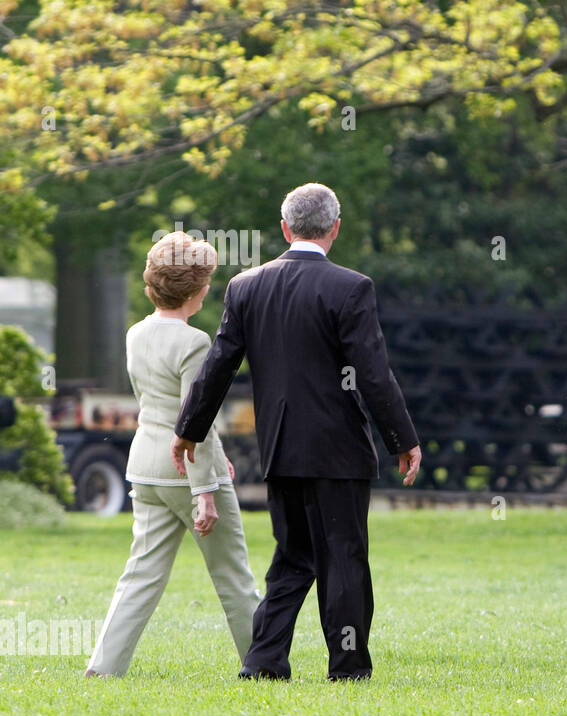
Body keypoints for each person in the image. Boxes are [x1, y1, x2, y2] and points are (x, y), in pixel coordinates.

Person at [172, 183, 422, 681]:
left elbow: (219, 365)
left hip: (282, 447)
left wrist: (189, 429)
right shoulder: (351, 288)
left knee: (291, 557)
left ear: (285, 228)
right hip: (339, 450)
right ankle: (348, 666)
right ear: (335, 228)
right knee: (344, 557)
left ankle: (264, 661)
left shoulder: (245, 286)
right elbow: (372, 374)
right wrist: (402, 439)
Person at [86, 231, 261, 677]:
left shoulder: (136, 334)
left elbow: (164, 410)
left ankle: (103, 669)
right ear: (199, 290)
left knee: (141, 575)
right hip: (188, 474)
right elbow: (192, 421)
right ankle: (263, 665)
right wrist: (205, 490)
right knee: (234, 577)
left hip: (145, 469)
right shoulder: (195, 342)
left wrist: (215, 458)